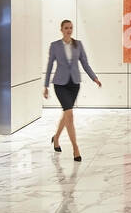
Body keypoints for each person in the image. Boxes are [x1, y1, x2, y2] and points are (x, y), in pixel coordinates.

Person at [43, 19, 101, 160]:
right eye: (66, 28)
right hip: (60, 84)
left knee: (66, 114)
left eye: (71, 28)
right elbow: (50, 65)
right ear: (61, 29)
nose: (69, 30)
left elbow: (85, 63)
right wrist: (46, 86)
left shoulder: (78, 44)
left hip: (74, 84)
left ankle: (56, 138)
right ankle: (76, 148)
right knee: (70, 114)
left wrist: (94, 78)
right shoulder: (55, 46)